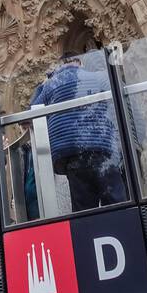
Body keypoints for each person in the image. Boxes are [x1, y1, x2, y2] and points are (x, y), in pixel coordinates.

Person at [31, 54, 127, 210]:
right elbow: (118, 99)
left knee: (84, 211)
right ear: (80, 62)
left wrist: (44, 83)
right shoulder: (97, 77)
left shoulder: (51, 85)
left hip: (72, 156)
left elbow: (33, 111)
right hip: (103, 151)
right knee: (117, 204)